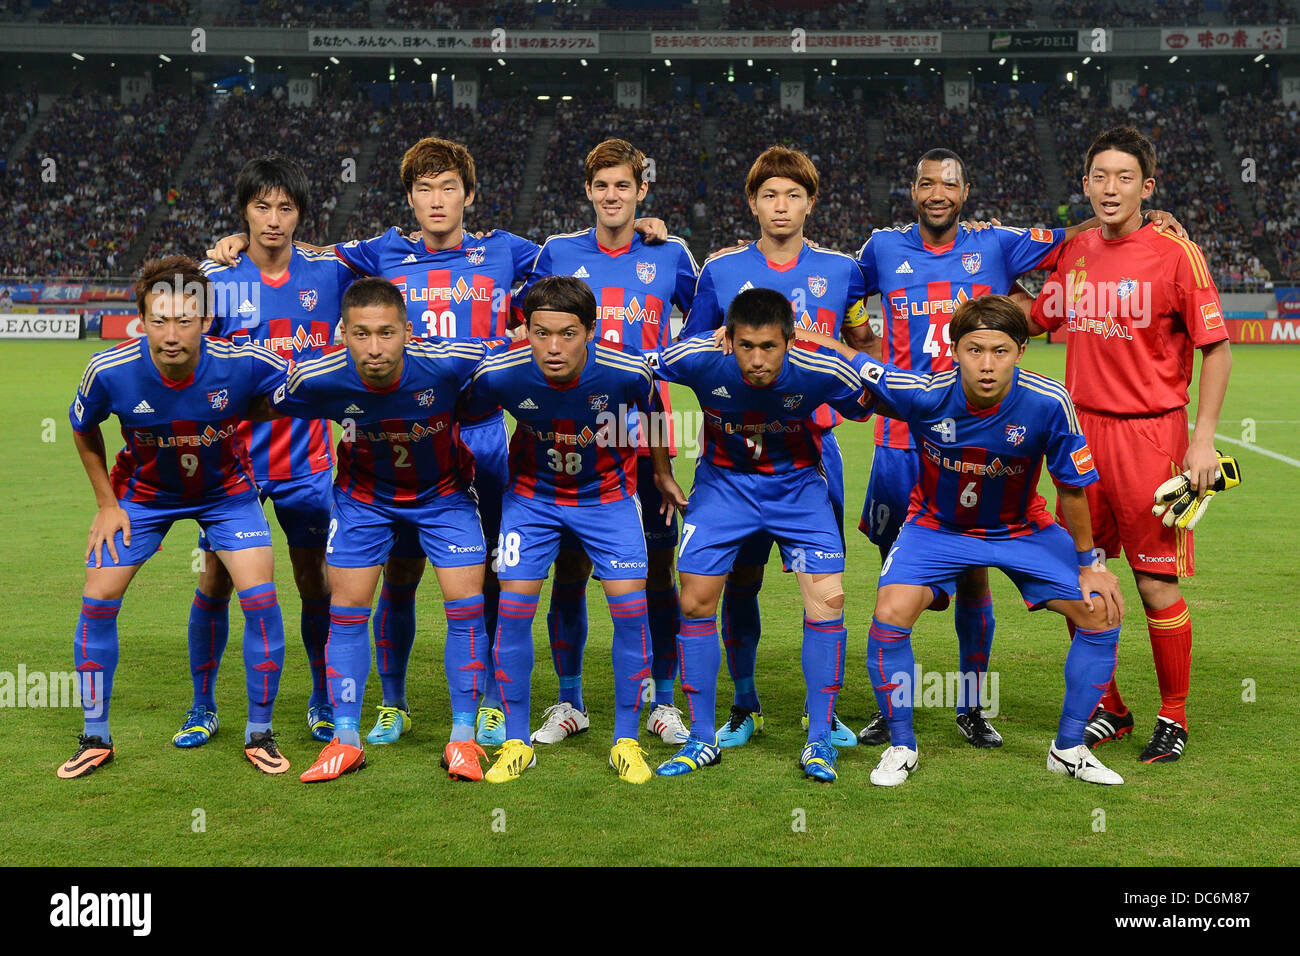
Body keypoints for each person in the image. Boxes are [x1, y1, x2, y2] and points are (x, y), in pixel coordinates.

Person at [209, 137, 666, 749]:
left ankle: (498, 705)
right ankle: (393, 702)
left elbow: (584, 263)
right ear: (409, 198)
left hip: (483, 438)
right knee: (398, 572)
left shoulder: (509, 253)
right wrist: (241, 242)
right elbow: (302, 254)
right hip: (398, 433)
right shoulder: (378, 252)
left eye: (449, 187)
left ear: (469, 195)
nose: (436, 200)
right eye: (424, 189)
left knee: (504, 577)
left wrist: (640, 230)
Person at [850, 148, 1184, 749]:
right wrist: (864, 342)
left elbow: (1077, 234)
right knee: (895, 585)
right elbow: (840, 294)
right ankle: (893, 707)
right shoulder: (880, 249)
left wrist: (1149, 214)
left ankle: (972, 707)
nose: (937, 194)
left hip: (979, 443)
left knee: (974, 574)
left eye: (948, 184)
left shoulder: (999, 245)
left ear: (966, 191)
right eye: (926, 183)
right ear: (912, 188)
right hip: (900, 443)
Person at [813, 294, 1128, 787]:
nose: (987, 365)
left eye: (1000, 351)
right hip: (936, 526)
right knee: (889, 614)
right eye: (974, 350)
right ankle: (901, 745)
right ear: (953, 349)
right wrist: (800, 335)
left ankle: (1069, 747)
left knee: (1103, 610)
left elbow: (1072, 487)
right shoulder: (922, 392)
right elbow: (855, 361)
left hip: (1020, 528)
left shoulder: (1049, 402)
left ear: (1021, 351)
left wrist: (1090, 562)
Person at [1027, 125, 1233, 764]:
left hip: (1153, 437)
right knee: (1081, 573)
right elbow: (1037, 316)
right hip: (1079, 435)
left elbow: (1217, 348)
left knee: (1154, 585)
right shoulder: (1076, 249)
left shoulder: (1176, 254)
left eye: (1124, 178)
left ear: (1147, 186)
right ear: (1084, 184)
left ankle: (1173, 717)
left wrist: (1203, 442)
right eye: (1098, 177)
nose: (1109, 188)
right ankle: (1109, 707)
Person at [61, 256, 291, 778]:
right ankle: (95, 737)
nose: (171, 335)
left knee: (260, 597)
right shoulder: (109, 371)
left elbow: (296, 387)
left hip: (226, 493)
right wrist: (106, 503)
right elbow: (82, 427)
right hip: (143, 495)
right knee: (97, 600)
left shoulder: (243, 362)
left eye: (184, 321)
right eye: (159, 320)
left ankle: (260, 733)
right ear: (141, 319)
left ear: (207, 320)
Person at [677, 145, 866, 750]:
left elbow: (862, 347)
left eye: (793, 195)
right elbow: (696, 346)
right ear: (752, 203)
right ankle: (744, 701)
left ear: (811, 203)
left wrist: (833, 351)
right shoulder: (721, 270)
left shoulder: (843, 271)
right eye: (769, 195)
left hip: (811, 452)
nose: (780, 206)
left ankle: (823, 716)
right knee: (741, 581)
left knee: (824, 589)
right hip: (731, 454)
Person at [272, 278, 497, 783]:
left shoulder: (453, 362)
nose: (374, 348)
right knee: (346, 614)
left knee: (466, 611)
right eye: (361, 334)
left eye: (387, 333)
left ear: (409, 332)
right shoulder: (317, 378)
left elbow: (512, 366)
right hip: (362, 500)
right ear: (342, 334)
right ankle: (345, 740)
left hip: (444, 496)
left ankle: (461, 739)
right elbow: (259, 402)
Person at [516, 138, 699, 748]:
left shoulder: (670, 253)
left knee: (654, 574)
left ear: (641, 191)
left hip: (643, 433)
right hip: (566, 431)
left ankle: (663, 700)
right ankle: (570, 701)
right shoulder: (558, 253)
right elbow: (531, 323)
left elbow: (705, 327)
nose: (612, 196)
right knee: (568, 571)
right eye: (602, 186)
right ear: (588, 191)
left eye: (624, 186)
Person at [651, 288, 875, 783]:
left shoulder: (819, 368)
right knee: (694, 602)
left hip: (798, 487)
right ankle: (701, 738)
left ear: (789, 341)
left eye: (769, 347)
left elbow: (876, 398)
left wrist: (840, 350)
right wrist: (661, 464)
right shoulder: (698, 358)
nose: (757, 359)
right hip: (723, 487)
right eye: (746, 345)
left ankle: (818, 740)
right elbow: (635, 375)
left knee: (828, 600)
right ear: (727, 339)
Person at [175, 156, 357, 751]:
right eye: (260, 206)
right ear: (243, 211)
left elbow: (401, 262)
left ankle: (324, 697)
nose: (272, 219)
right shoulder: (215, 279)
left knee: (314, 581)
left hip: (307, 463)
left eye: (285, 207)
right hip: (231, 465)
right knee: (215, 582)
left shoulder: (329, 273)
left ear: (301, 214)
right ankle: (203, 705)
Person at [462, 275, 666, 783]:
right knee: (513, 610)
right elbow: (453, 404)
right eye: (541, 332)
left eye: (568, 333)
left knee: (630, 608)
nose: (553, 348)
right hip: (532, 500)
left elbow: (655, 407)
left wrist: (660, 472)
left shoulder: (624, 370)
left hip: (609, 498)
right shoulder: (502, 372)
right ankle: (516, 741)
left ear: (591, 331)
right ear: (523, 330)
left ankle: (626, 740)